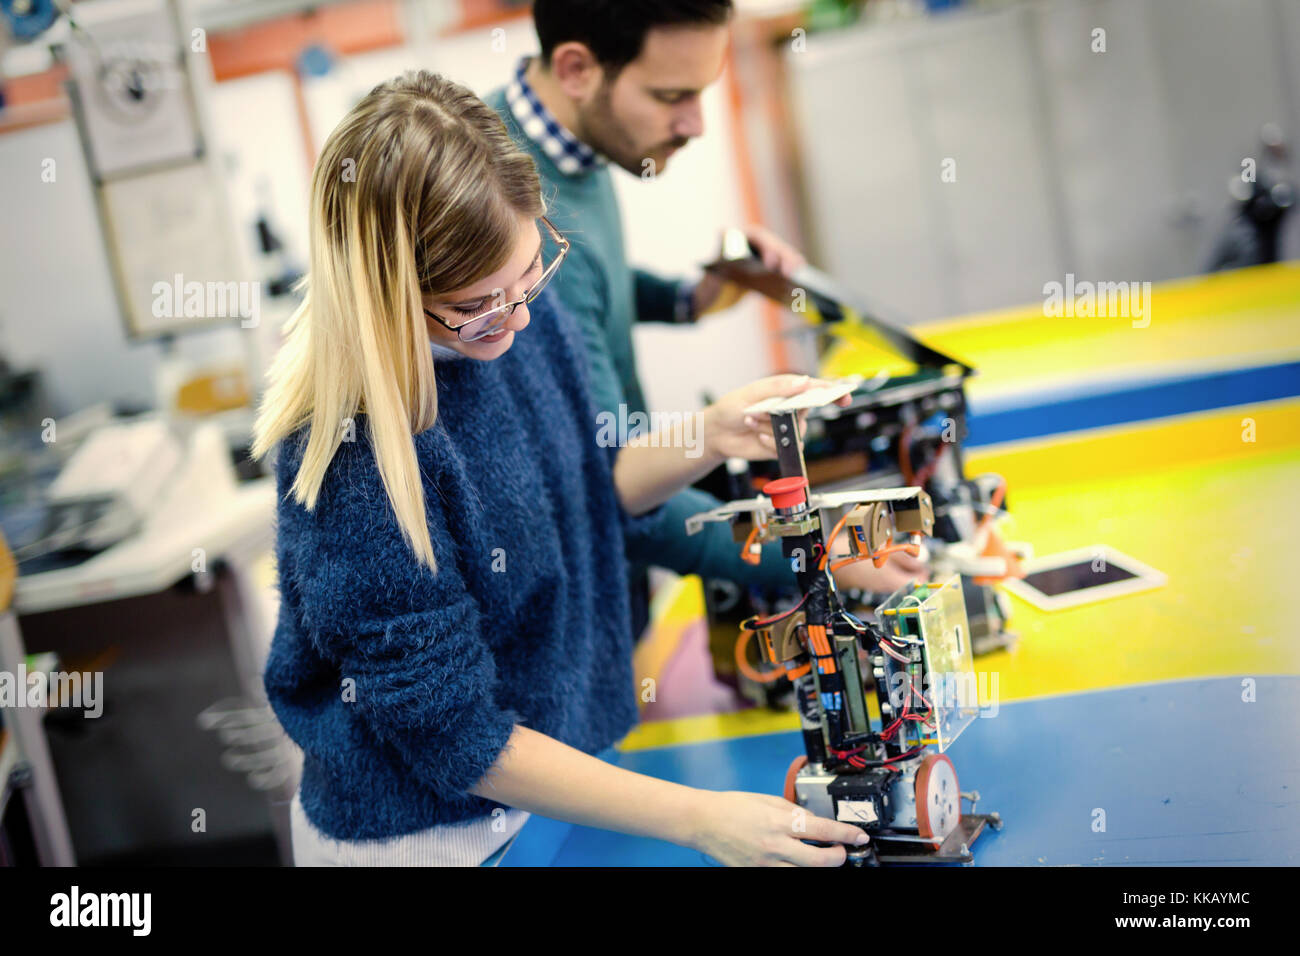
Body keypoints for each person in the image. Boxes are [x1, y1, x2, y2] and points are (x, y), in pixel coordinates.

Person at [252, 70, 872, 866]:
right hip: (432, 840)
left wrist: (714, 434)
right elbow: (460, 740)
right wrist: (699, 818)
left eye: (529, 275)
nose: (516, 315)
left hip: (558, 789)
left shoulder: (521, 327)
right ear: (387, 294)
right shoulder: (354, 454)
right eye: (478, 302)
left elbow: (594, 485)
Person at [484, 0, 922, 634]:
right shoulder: (507, 202)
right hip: (555, 622)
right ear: (576, 68)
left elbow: (592, 288)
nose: (695, 124)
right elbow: (615, 489)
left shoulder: (564, 147)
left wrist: (691, 297)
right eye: (671, 96)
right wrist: (821, 552)